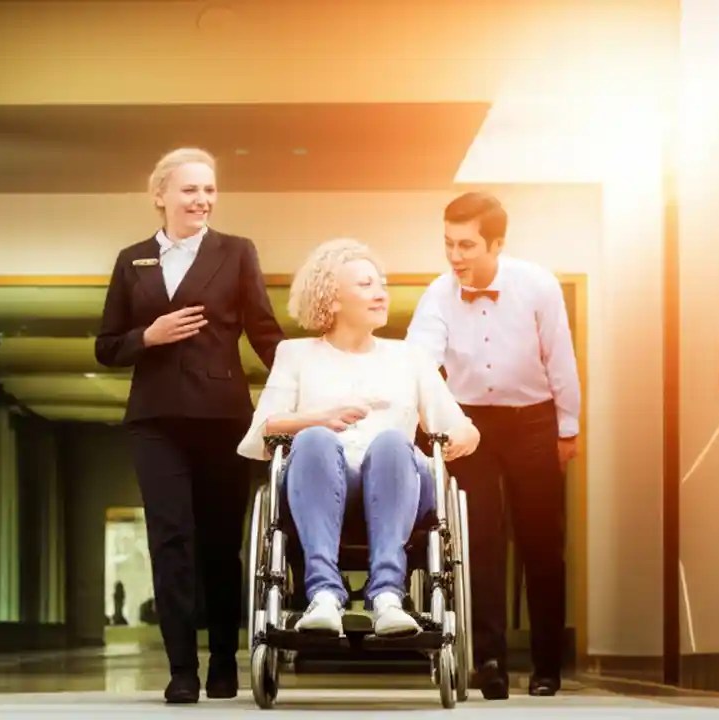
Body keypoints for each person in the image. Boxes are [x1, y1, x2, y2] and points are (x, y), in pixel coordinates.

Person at [95, 147, 285, 704]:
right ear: (161, 196)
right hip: (155, 420)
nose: (202, 199)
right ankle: (181, 669)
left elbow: (265, 333)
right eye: (189, 190)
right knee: (170, 540)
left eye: (209, 190)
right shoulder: (133, 261)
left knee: (221, 545)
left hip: (223, 417)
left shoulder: (237, 252)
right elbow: (107, 346)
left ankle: (225, 659)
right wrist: (147, 337)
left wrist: (310, 385)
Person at [237, 238, 480, 637]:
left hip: (398, 485)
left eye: (381, 284)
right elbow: (262, 432)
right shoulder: (295, 355)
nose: (381, 293)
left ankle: (387, 594)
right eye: (366, 285)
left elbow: (457, 424)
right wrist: (319, 419)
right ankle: (325, 595)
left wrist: (466, 433)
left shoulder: (410, 356)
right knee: (315, 439)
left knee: (390, 443)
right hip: (317, 485)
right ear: (332, 300)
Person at [406, 191, 581, 698]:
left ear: (497, 243)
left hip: (533, 420)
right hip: (470, 424)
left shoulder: (538, 285)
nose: (456, 256)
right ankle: (490, 662)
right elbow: (420, 357)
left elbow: (560, 359)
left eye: (467, 245)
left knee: (540, 542)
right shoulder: (438, 294)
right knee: (478, 541)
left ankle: (547, 666)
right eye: (448, 244)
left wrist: (567, 429)